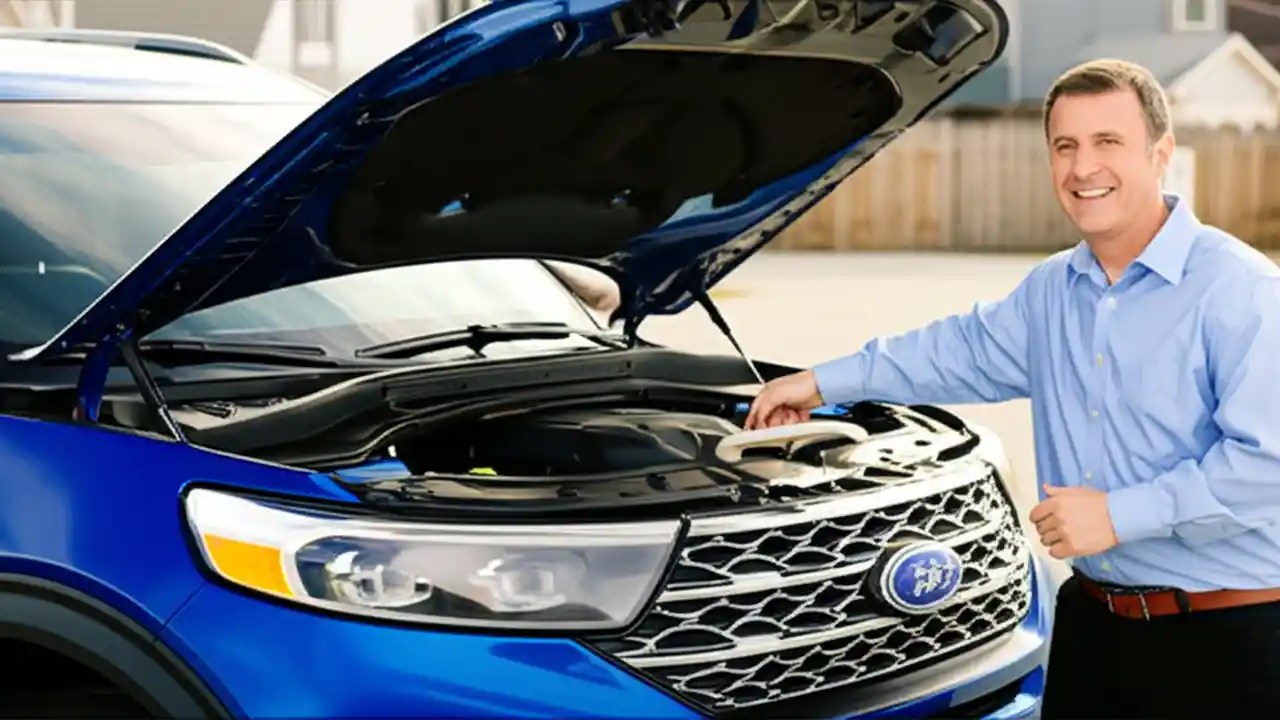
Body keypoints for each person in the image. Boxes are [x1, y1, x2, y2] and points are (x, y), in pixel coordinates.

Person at [745, 58, 1280, 719]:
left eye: (1108, 142)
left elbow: (1266, 467)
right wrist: (817, 381)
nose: (1084, 168)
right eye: (1065, 146)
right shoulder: (1052, 290)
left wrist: (1117, 515)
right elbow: (947, 352)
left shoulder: (1240, 290)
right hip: (1092, 627)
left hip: (1226, 642)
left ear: (1161, 152)